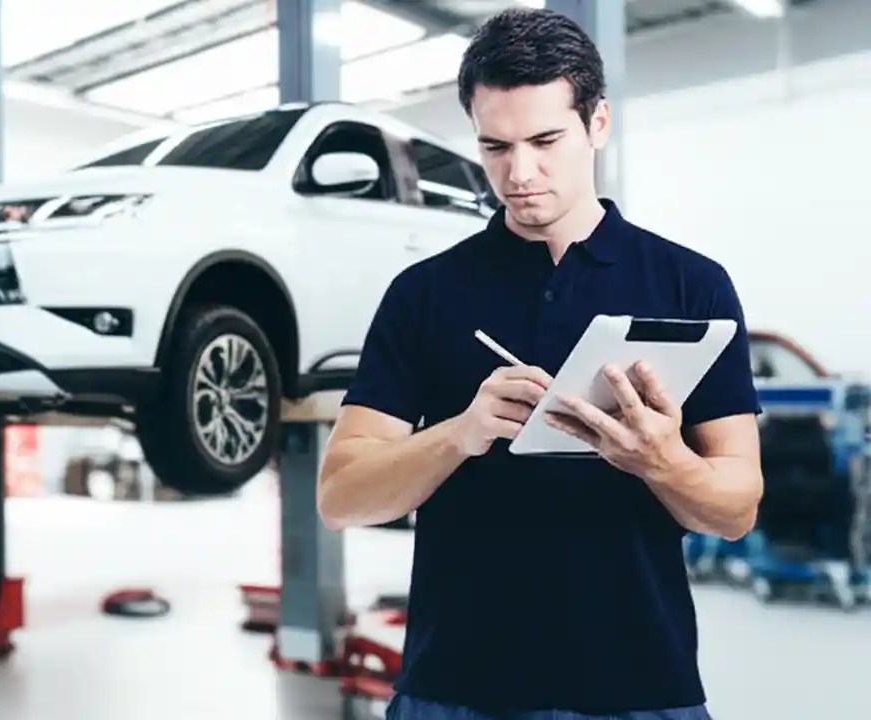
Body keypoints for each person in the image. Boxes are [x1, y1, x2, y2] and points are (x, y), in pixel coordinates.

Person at [317, 7, 763, 720]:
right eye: (495, 147)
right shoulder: (424, 294)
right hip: (454, 691)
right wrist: (460, 433)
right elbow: (341, 497)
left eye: (545, 140)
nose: (519, 174)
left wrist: (659, 459)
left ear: (598, 124)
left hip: (641, 689)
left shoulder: (691, 286)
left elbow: (737, 508)